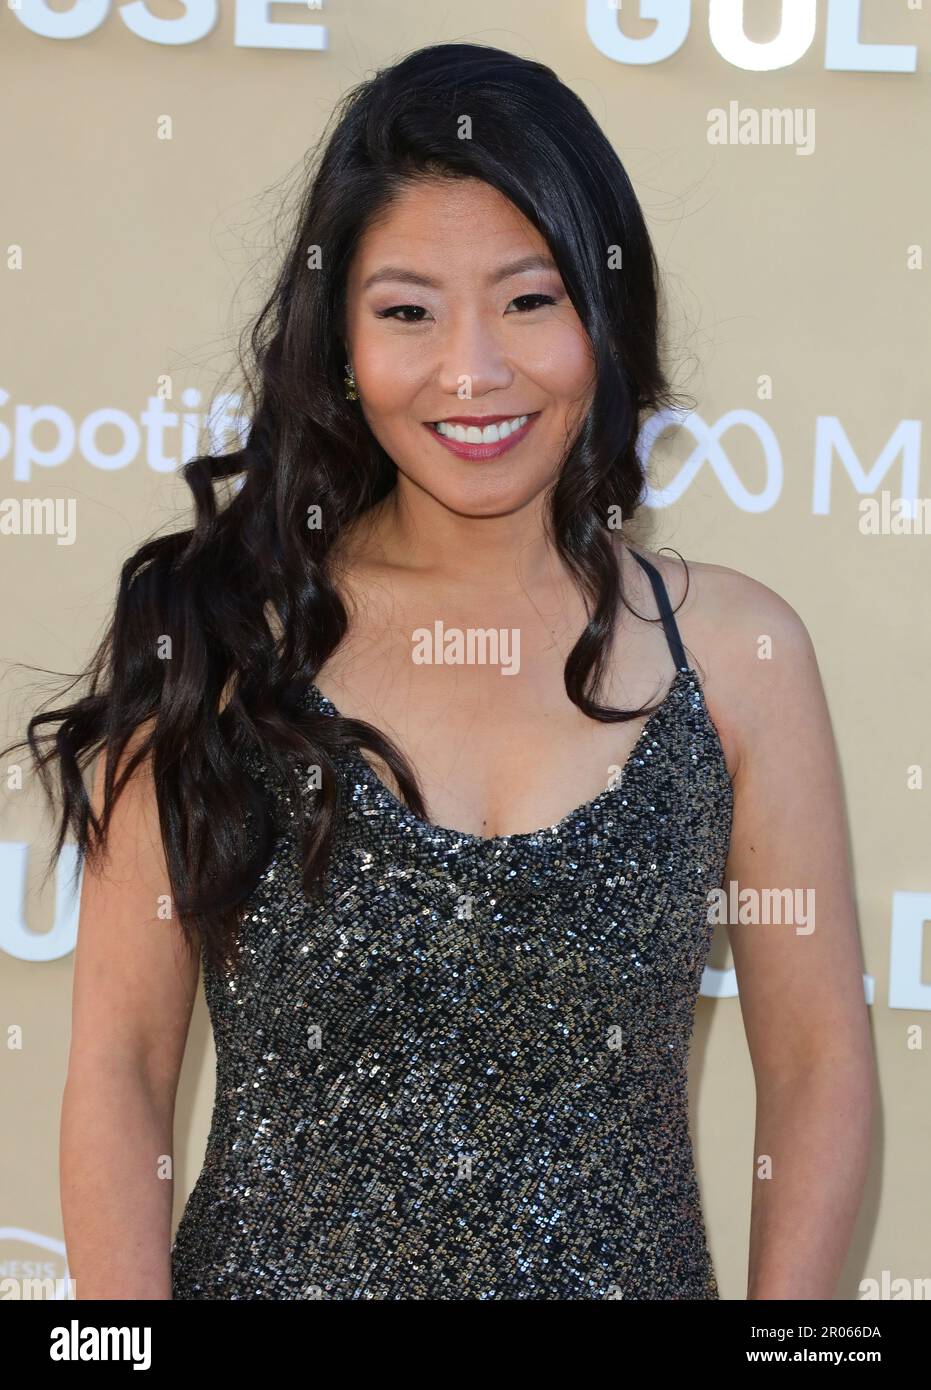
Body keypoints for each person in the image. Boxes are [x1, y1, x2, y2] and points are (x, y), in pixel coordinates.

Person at [15, 42, 873, 1300]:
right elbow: (121, 1075)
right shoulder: (215, 632)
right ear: (340, 342)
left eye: (528, 300)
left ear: (605, 314)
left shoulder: (741, 658)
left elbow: (815, 1076)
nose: (472, 370)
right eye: (408, 311)